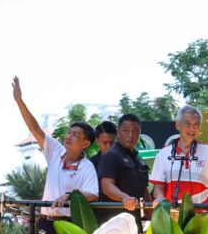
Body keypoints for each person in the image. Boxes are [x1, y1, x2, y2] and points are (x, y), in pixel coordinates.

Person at [11, 77, 99, 224]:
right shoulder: (55, 151)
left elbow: (93, 194)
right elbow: (34, 128)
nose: (69, 136)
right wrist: (19, 101)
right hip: (46, 221)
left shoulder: (87, 167)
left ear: (86, 143)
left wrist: (71, 196)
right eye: (69, 132)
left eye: (75, 134)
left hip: (70, 223)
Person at [150, 105, 208, 205]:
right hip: (172, 216)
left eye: (196, 124)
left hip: (201, 217)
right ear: (177, 125)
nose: (192, 128)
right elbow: (158, 187)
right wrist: (160, 197)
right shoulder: (163, 154)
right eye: (188, 124)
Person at [96, 114, 149, 222]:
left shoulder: (140, 160)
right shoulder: (111, 155)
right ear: (118, 132)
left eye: (135, 131)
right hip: (113, 222)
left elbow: (145, 192)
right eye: (126, 130)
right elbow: (106, 186)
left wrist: (154, 217)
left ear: (139, 133)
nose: (130, 135)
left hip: (135, 221)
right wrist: (124, 197)